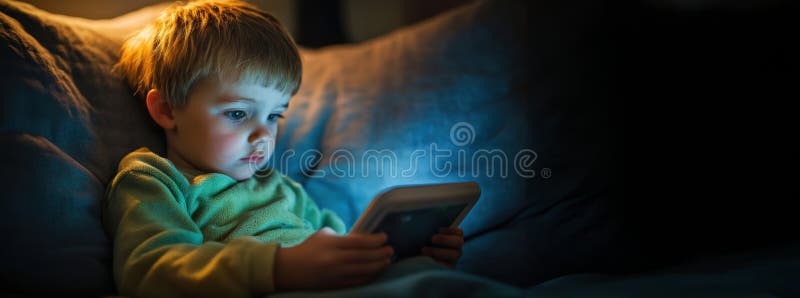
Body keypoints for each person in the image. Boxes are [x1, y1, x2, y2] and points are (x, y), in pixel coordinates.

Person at [103, 0, 464, 297]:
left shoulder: (282, 189)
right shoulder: (154, 179)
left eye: (275, 115)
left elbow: (344, 251)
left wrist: (402, 257)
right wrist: (277, 268)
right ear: (167, 110)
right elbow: (150, 271)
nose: (263, 134)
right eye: (238, 113)